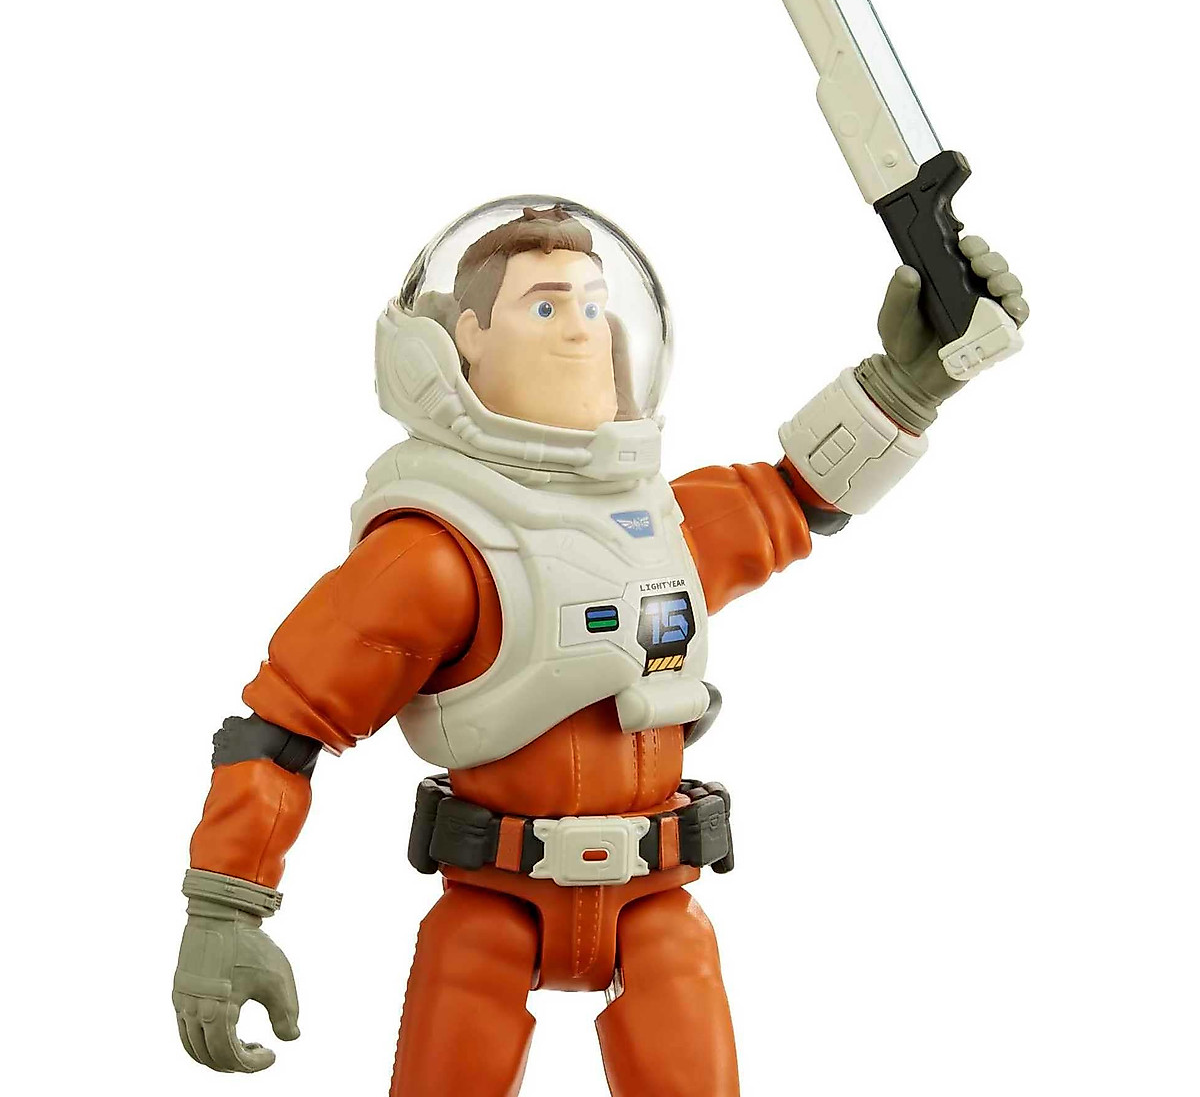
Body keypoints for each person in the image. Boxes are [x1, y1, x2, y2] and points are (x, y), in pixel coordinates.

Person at [173, 199, 1027, 1096]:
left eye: (591, 304)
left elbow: (794, 497)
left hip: (657, 903)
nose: (582, 330)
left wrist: (908, 383)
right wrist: (226, 911)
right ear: (462, 342)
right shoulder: (432, 554)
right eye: (545, 306)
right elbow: (280, 731)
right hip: (491, 904)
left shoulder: (660, 527)